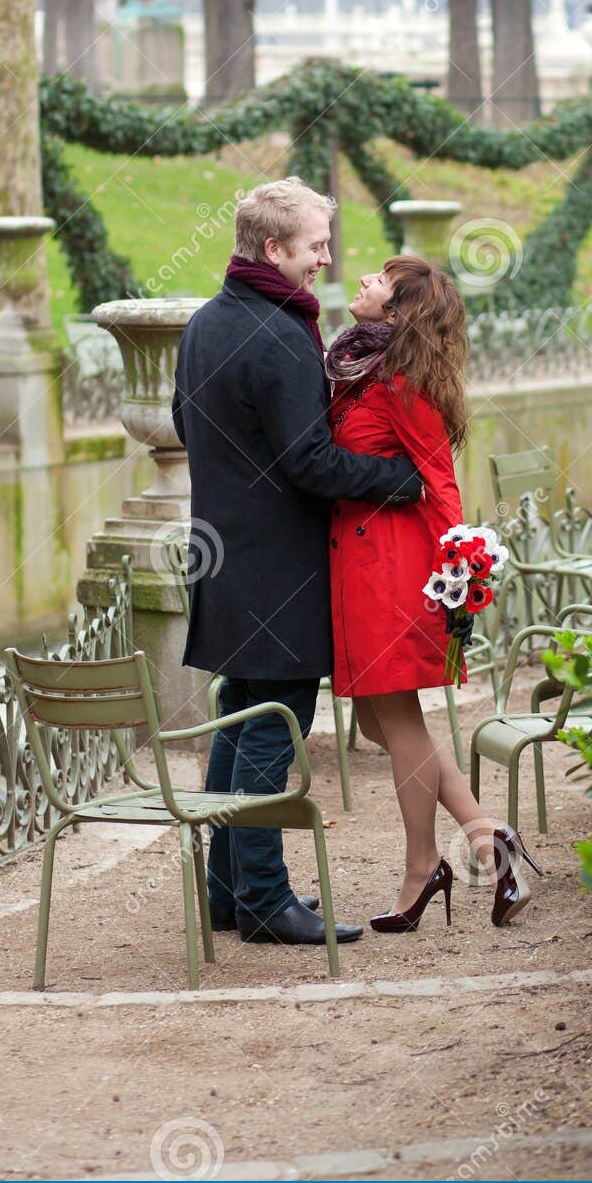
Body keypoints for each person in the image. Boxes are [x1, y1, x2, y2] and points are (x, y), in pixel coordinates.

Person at [171, 178, 424, 947]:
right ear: (274, 249)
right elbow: (310, 461)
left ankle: (227, 889)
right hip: (278, 569)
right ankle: (264, 900)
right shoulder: (279, 334)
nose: (325, 259)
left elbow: (186, 426)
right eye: (316, 245)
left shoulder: (207, 321)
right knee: (274, 726)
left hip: (221, 557)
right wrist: (400, 479)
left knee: (237, 719)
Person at [325, 255, 543, 934]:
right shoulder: (366, 368)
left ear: (396, 314)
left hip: (390, 572)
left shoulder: (402, 384)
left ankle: (423, 868)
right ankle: (485, 841)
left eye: (377, 282)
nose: (360, 279)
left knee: (395, 722)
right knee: (376, 723)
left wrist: (460, 581)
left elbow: (439, 482)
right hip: (360, 562)